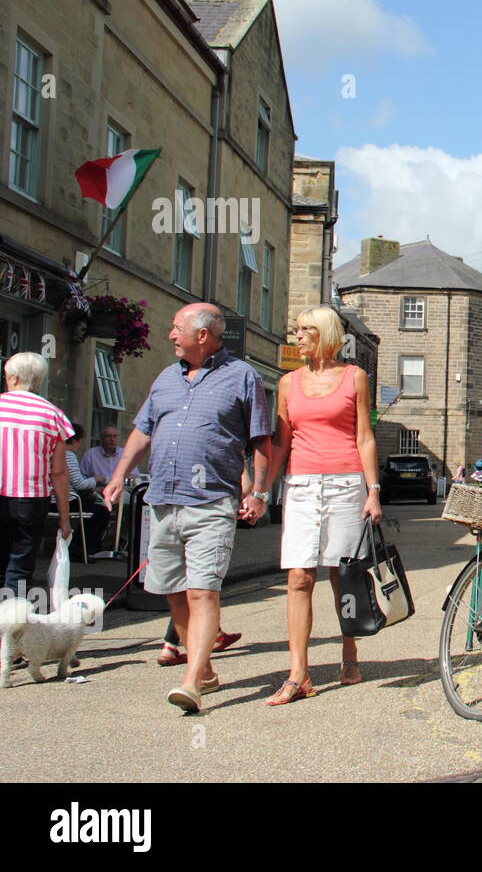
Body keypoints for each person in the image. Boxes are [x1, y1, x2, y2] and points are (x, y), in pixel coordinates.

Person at [104, 303, 271, 714]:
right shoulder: (165, 378)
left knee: (202, 590)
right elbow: (142, 431)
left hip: (212, 502)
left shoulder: (243, 377)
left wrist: (259, 493)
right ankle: (207, 670)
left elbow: (260, 441)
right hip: (162, 500)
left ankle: (192, 681)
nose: (170, 335)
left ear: (203, 335)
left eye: (177, 328)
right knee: (173, 592)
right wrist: (119, 474)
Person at [262, 305, 381, 705]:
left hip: (347, 484)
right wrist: (262, 490)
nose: (297, 336)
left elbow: (364, 437)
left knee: (344, 574)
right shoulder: (287, 383)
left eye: (305, 330)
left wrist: (373, 490)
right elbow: (281, 442)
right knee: (298, 577)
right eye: (296, 329)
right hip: (301, 486)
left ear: (325, 335)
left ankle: (349, 653)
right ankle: (299, 673)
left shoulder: (354, 378)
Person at [0, 352, 72, 597]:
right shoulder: (53, 415)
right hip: (30, 500)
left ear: (12, 377)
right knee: (19, 569)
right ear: (39, 380)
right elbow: (59, 472)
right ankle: (11, 629)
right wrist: (65, 518)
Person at [63, 424, 109, 556]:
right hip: (68, 499)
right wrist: (97, 479)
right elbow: (80, 484)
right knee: (101, 512)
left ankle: (83, 545)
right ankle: (83, 548)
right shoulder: (69, 455)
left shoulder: (51, 452)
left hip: (51, 499)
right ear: (75, 440)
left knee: (93, 508)